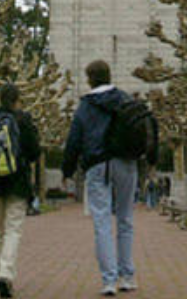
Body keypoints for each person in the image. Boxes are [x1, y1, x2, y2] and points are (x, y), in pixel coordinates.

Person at [62, 59, 138, 295]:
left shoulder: (85, 107)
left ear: (89, 79)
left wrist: (67, 171)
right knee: (125, 219)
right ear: (109, 75)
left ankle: (109, 280)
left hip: (97, 165)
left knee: (102, 222)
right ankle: (127, 276)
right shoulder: (126, 99)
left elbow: (74, 142)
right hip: (125, 162)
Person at [0, 82, 40, 298]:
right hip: (17, 180)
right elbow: (34, 150)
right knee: (14, 228)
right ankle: (5, 273)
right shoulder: (23, 119)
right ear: (17, 100)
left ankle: (2, 270)